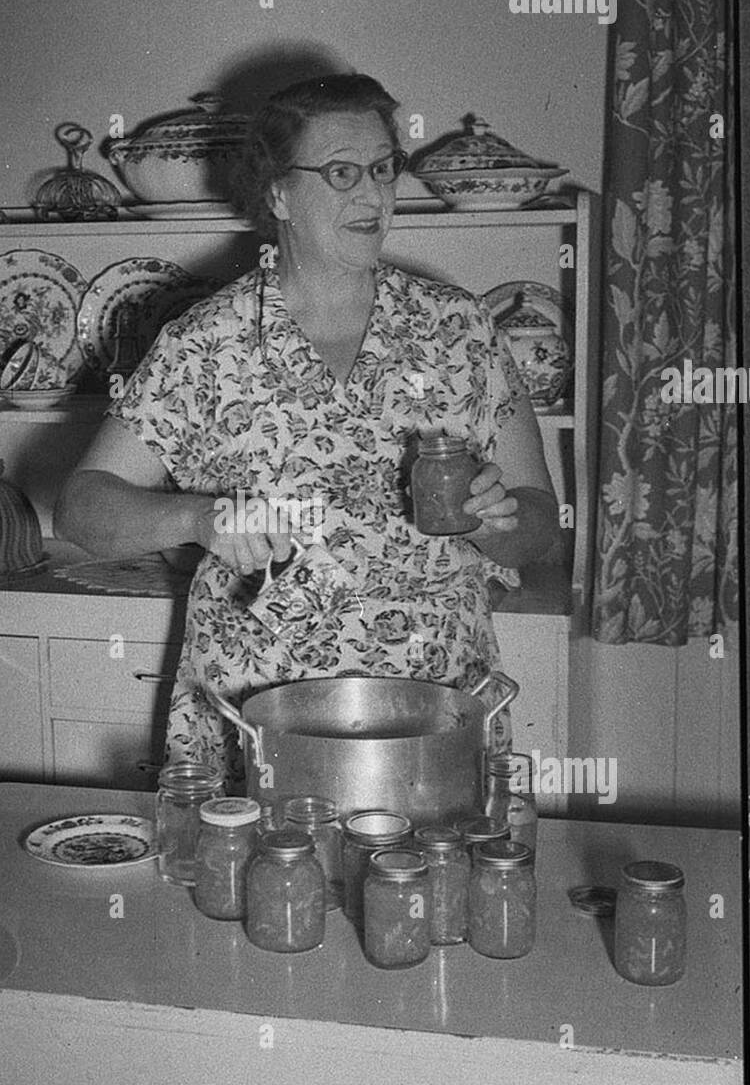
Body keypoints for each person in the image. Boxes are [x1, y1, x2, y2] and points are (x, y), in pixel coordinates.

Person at [54, 73, 559, 792]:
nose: (374, 195)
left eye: (384, 169)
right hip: (256, 714)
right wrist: (199, 518)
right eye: (343, 172)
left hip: (432, 704)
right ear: (279, 195)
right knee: (264, 896)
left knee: (427, 900)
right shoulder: (207, 344)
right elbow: (82, 507)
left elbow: (537, 520)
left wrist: (494, 522)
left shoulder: (461, 329)